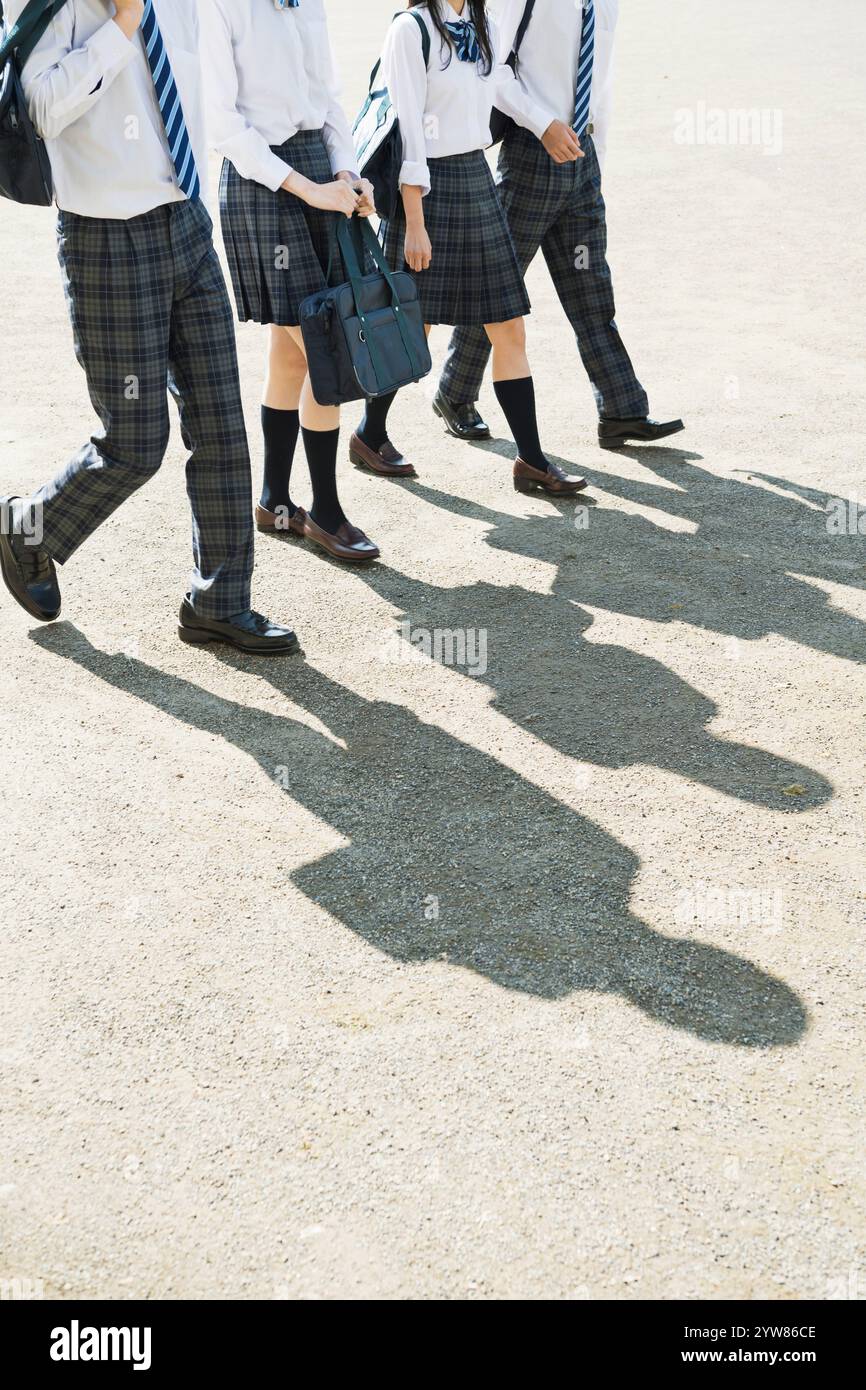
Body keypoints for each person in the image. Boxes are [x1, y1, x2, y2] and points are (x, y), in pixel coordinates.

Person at [0, 0, 298, 654]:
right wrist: (122, 25)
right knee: (134, 441)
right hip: (106, 241)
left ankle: (219, 602)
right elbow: (43, 109)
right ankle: (30, 529)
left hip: (187, 225)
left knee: (221, 422)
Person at [350, 0, 587, 497]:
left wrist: (542, 120)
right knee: (413, 324)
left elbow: (498, 80)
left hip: (476, 180)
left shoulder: (481, 22)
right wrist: (414, 222)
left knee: (508, 325)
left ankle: (532, 461)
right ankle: (370, 435)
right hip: (427, 191)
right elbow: (409, 131)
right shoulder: (409, 31)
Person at [433, 0, 685, 451]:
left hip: (581, 159)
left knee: (592, 290)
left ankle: (622, 409)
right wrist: (542, 122)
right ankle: (455, 394)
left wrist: (596, 158)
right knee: (497, 287)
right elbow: (491, 69)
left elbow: (600, 81)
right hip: (532, 154)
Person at [201, 0, 382, 563]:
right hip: (264, 180)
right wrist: (308, 188)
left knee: (291, 350)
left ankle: (274, 499)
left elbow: (329, 98)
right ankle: (325, 513)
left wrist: (347, 173)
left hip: (318, 175)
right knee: (325, 347)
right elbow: (223, 125)